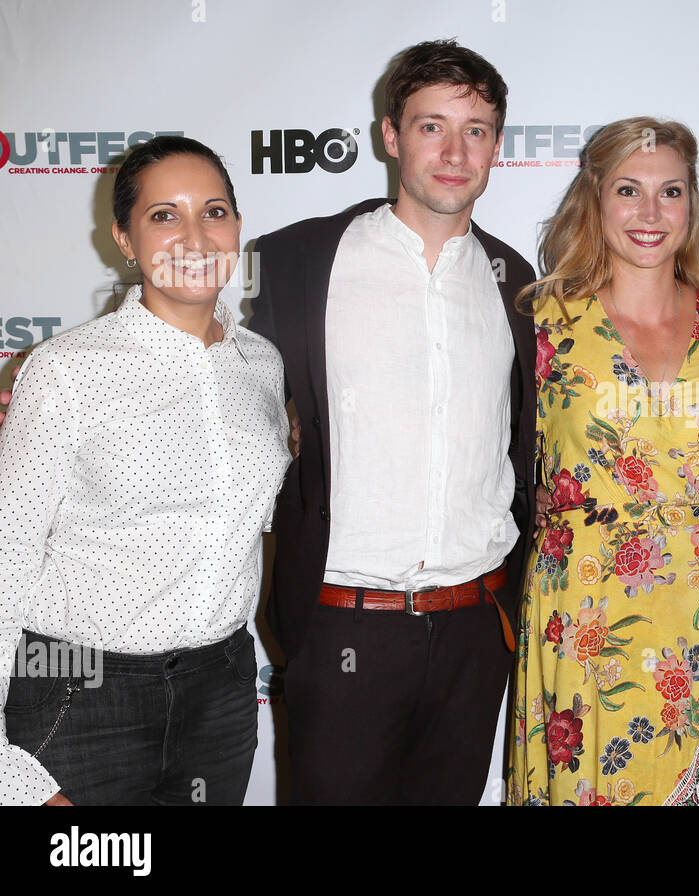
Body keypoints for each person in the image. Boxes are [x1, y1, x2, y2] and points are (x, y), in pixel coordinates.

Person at [248, 40, 536, 805]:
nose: (453, 151)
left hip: (477, 628)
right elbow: (194, 358)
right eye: (431, 126)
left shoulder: (519, 284)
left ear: (498, 145)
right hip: (343, 623)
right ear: (390, 136)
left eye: (475, 130)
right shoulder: (297, 261)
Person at [0, 136, 289, 805]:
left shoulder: (262, 366)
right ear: (125, 240)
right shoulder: (66, 370)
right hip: (80, 697)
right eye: (164, 215)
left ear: (237, 228)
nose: (193, 235)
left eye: (213, 211)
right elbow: (7, 558)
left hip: (221, 694)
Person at [507, 118, 699, 806]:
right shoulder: (543, 322)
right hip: (578, 605)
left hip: (693, 614)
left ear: (691, 204)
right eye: (628, 190)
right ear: (595, 199)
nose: (650, 213)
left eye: (670, 191)